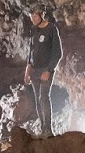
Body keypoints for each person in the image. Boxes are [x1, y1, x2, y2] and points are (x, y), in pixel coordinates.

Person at [23, 7, 63, 136]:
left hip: (45, 69)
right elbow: (31, 50)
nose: (33, 20)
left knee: (43, 98)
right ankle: (42, 129)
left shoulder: (51, 29)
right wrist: (28, 69)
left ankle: (48, 130)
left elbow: (57, 53)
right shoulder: (33, 29)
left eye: (35, 17)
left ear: (42, 15)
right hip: (34, 70)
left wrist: (49, 70)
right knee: (37, 99)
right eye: (31, 18)